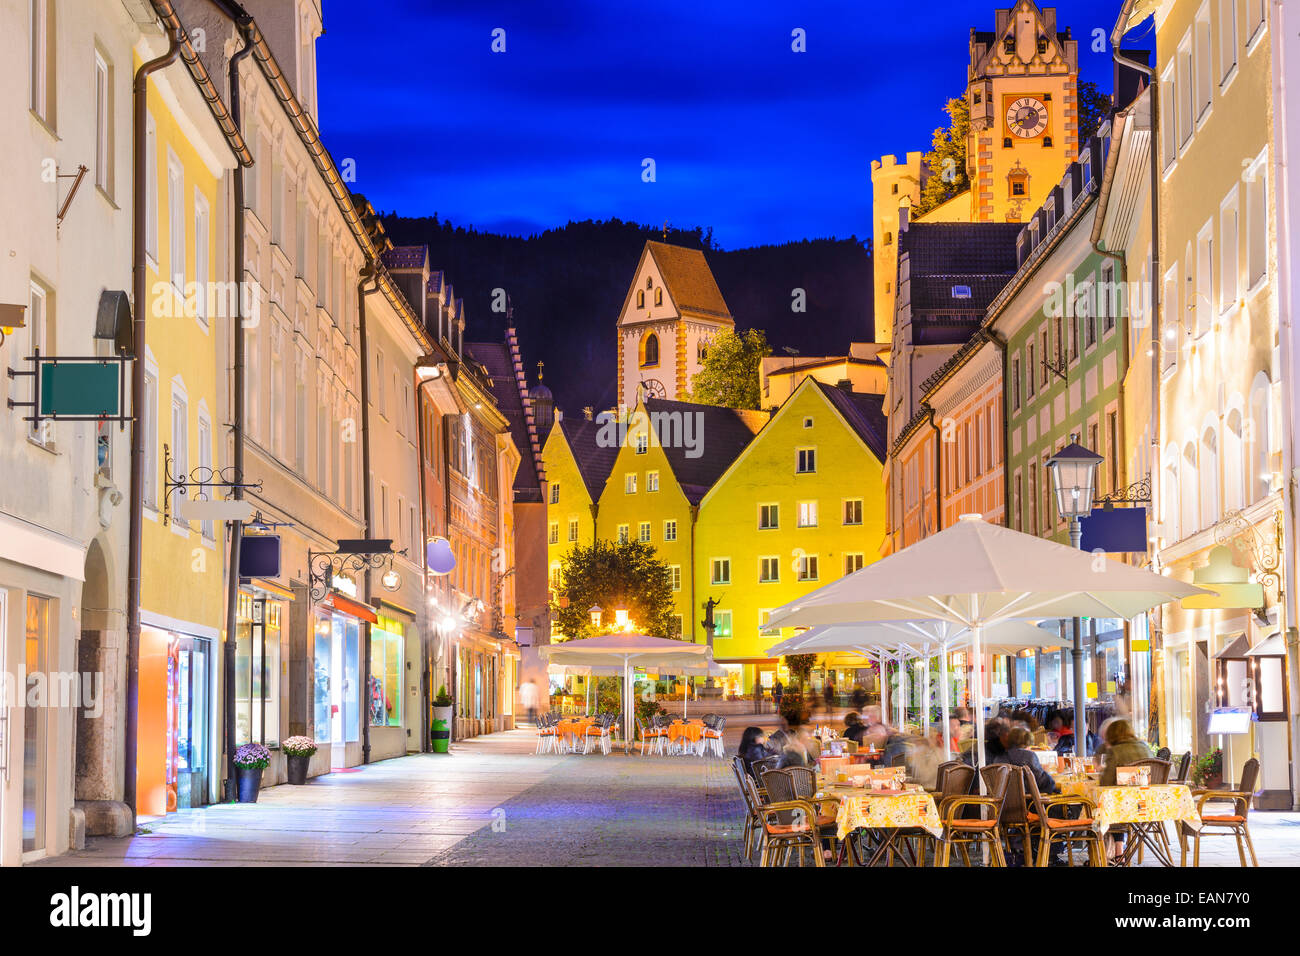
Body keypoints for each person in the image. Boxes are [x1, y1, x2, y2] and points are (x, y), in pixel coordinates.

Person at [995, 727, 1059, 795]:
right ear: (1028, 741)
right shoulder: (1029, 756)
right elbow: (1041, 782)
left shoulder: (998, 758)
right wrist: (1044, 772)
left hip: (1002, 802)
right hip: (1029, 801)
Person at [1099, 719, 1151, 786]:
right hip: (1148, 793)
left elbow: (1106, 782)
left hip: (1124, 794)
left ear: (1110, 735)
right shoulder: (1145, 747)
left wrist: (1102, 772)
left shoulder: (1115, 751)